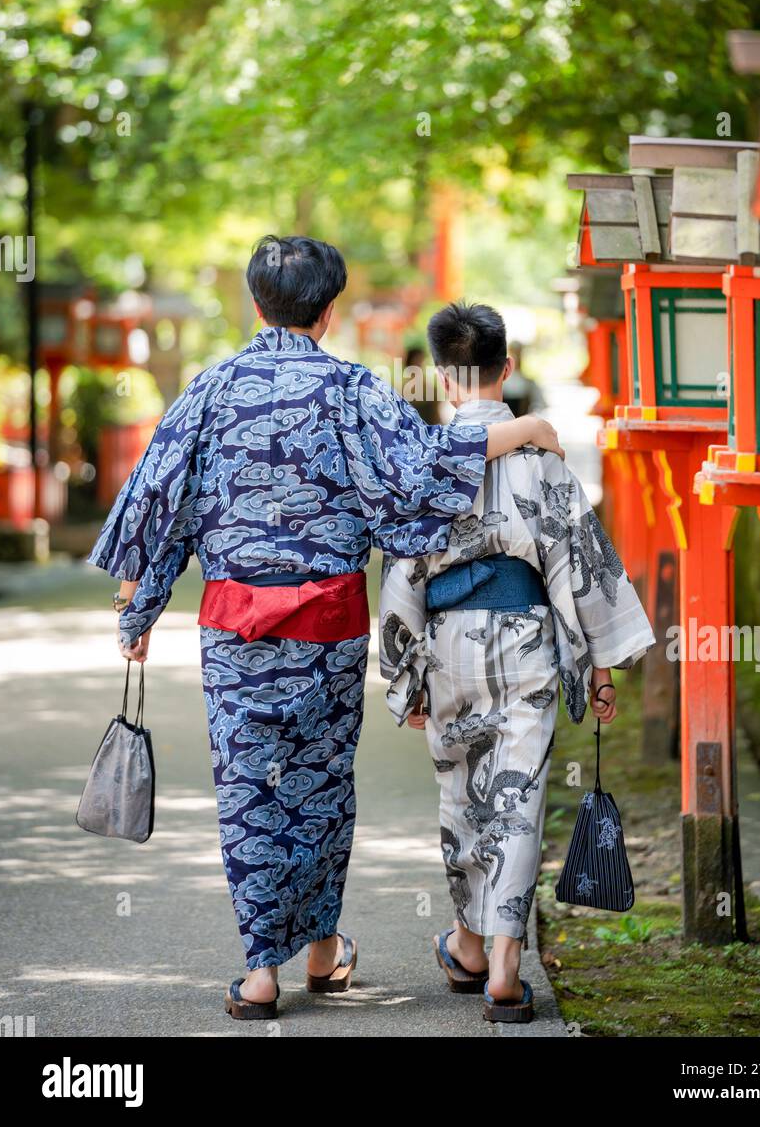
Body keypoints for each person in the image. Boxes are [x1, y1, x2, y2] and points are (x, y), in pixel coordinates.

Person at [88, 238, 564, 1021]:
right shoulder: (353, 391)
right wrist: (527, 430)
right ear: (330, 310)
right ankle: (321, 953)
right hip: (327, 630)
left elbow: (162, 500)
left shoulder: (209, 390)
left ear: (255, 305)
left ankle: (260, 974)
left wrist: (138, 612)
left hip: (236, 632)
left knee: (247, 792)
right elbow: (423, 470)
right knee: (319, 790)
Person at [379, 302, 654, 1024]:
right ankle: (501, 963)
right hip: (528, 636)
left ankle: (469, 946)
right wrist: (600, 668)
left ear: (442, 377)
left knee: (461, 795)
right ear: (506, 369)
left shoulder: (424, 462)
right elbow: (582, 565)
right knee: (520, 797)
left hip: (444, 644)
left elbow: (403, 572)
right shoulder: (542, 461)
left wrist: (402, 674)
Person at [501, 340, 546, 417]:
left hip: (523, 424)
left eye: (518, 352)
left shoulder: (529, 383)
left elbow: (540, 405)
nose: (516, 356)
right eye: (513, 352)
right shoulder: (501, 383)